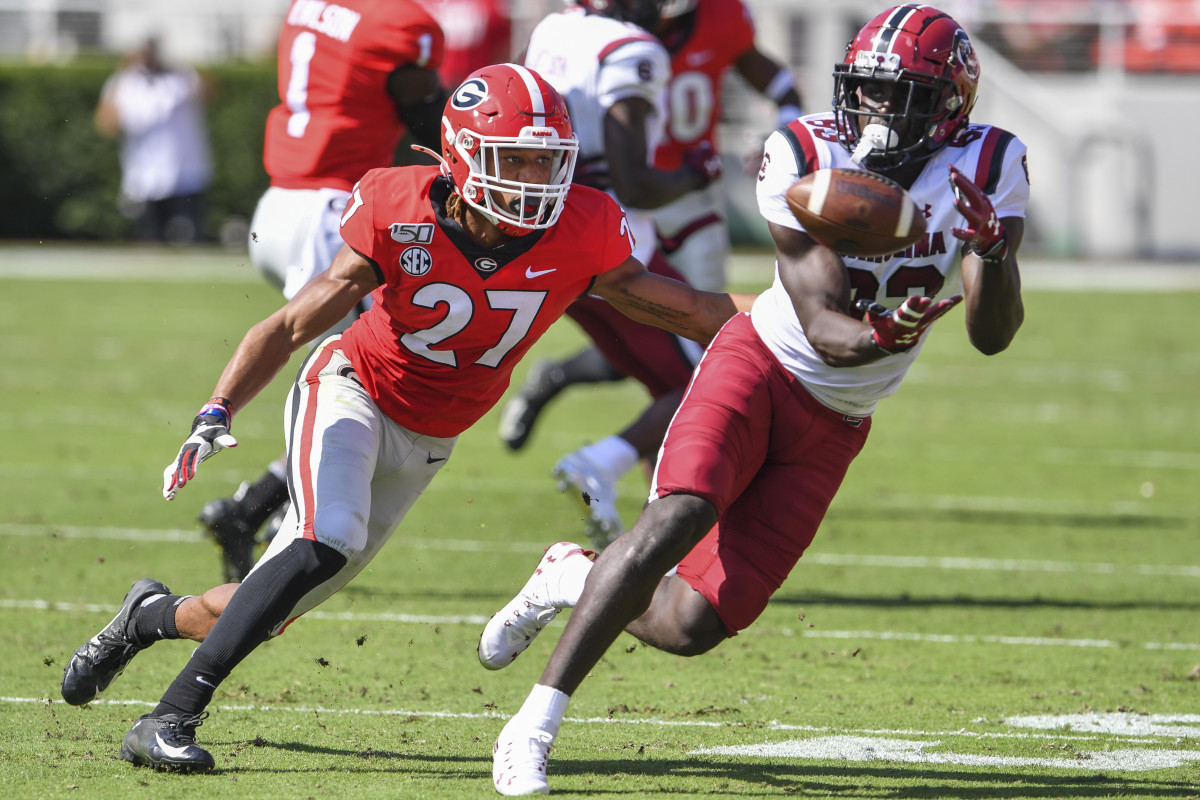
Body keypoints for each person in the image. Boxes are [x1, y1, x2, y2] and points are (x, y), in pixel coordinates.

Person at [58, 63, 754, 774]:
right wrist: (218, 407)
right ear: (460, 155)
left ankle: (146, 617)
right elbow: (296, 320)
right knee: (324, 539)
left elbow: (692, 309)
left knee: (262, 610)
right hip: (352, 389)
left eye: (547, 161)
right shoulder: (400, 207)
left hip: (430, 438)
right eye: (514, 158)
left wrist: (791, 326)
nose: (533, 178)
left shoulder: (583, 229)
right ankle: (167, 719)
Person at [482, 5, 1029, 795]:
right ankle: (533, 725)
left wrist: (992, 252)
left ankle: (573, 575)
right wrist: (885, 335)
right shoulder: (804, 149)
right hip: (765, 362)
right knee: (679, 516)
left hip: (838, 420)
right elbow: (823, 325)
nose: (871, 113)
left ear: (949, 109)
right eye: (864, 92)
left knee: (691, 624)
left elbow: (992, 334)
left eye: (896, 96)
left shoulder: (990, 162)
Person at [497, 0, 802, 543]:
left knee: (670, 378)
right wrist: (700, 168)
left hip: (549, 234)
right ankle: (600, 465)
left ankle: (662, 525)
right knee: (711, 374)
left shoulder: (554, 27)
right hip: (609, 239)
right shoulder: (631, 49)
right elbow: (636, 183)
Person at [197, 0, 448, 583]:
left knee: (358, 376)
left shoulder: (310, 6)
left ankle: (252, 507)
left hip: (279, 203)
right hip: (330, 212)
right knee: (361, 380)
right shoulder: (403, 24)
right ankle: (281, 517)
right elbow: (428, 114)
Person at [94, 36, 213, 245]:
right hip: (144, 178)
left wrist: (180, 63)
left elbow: (210, 91)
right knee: (150, 241)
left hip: (185, 176)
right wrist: (123, 71)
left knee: (191, 240)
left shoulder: (180, 77)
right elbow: (106, 125)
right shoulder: (124, 83)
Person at [415, 0, 514, 87]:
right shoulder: (423, 4)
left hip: (478, 82)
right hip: (437, 84)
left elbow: (501, 44)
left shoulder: (487, 4)